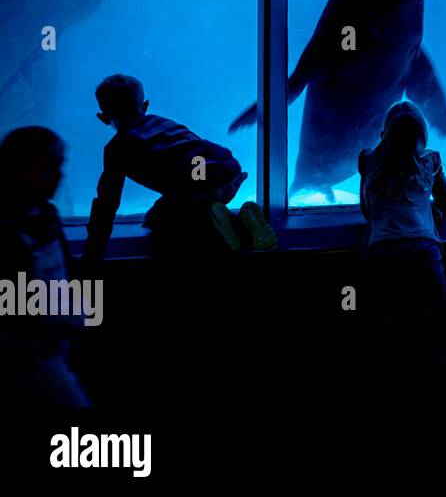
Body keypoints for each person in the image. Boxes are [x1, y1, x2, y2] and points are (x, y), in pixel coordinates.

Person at [83, 74, 274, 262]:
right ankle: (242, 222)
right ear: (145, 106)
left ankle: (226, 227)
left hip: (198, 185)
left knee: (157, 220)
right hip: (227, 167)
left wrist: (92, 252)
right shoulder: (163, 122)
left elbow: (106, 204)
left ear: (103, 118)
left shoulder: (116, 149)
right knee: (183, 197)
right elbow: (194, 149)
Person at [359, 101, 446, 385]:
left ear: (382, 134)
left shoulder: (368, 160)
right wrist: (429, 208)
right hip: (424, 257)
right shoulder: (430, 162)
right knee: (433, 334)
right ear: (423, 136)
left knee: (387, 334)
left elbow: (368, 211)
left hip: (382, 256)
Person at [0, 127, 91, 407]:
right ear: (16, 169)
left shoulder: (48, 215)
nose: (59, 175)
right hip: (27, 351)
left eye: (60, 165)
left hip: (59, 338)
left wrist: (84, 314)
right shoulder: (7, 232)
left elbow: (69, 270)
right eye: (47, 168)